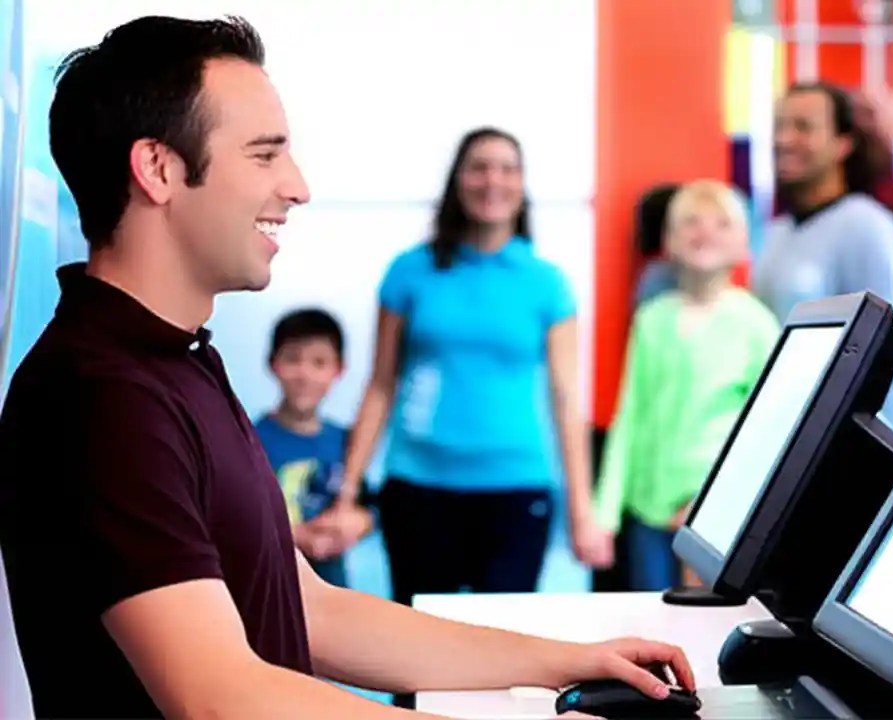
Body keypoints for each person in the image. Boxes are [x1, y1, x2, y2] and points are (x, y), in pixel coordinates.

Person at [0, 16, 692, 719]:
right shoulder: (101, 397)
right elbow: (220, 697)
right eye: (264, 156)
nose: (297, 186)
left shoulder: (181, 362)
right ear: (158, 169)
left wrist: (565, 660)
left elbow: (311, 608)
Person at [338, 128, 612, 610]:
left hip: (517, 491)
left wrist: (582, 511)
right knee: (418, 645)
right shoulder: (408, 272)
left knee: (504, 643)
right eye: (479, 168)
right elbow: (380, 384)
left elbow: (566, 399)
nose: (493, 181)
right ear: (457, 180)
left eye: (507, 169)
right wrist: (347, 491)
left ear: (522, 185)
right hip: (418, 488)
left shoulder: (547, 283)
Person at [595, 180, 780, 591]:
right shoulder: (651, 319)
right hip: (647, 511)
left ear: (743, 243)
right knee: (649, 614)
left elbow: (766, 432)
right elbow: (631, 414)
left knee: (703, 619)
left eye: (721, 223)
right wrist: (605, 513)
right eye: (691, 221)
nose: (705, 231)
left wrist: (715, 500)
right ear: (669, 240)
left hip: (716, 514)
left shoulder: (756, 325)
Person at [753, 81, 893, 440]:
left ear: (843, 143)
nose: (784, 139)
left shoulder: (867, 225)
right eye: (780, 126)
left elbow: (891, 358)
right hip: (778, 434)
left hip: (837, 445)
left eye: (803, 127)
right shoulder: (775, 233)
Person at [255, 308, 373, 588]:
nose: (304, 374)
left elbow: (369, 508)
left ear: (339, 369)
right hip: (268, 587)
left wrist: (357, 523)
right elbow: (232, 517)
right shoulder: (248, 439)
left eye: (319, 363)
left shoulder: (350, 444)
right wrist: (296, 535)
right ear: (272, 364)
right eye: (292, 359)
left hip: (333, 588)